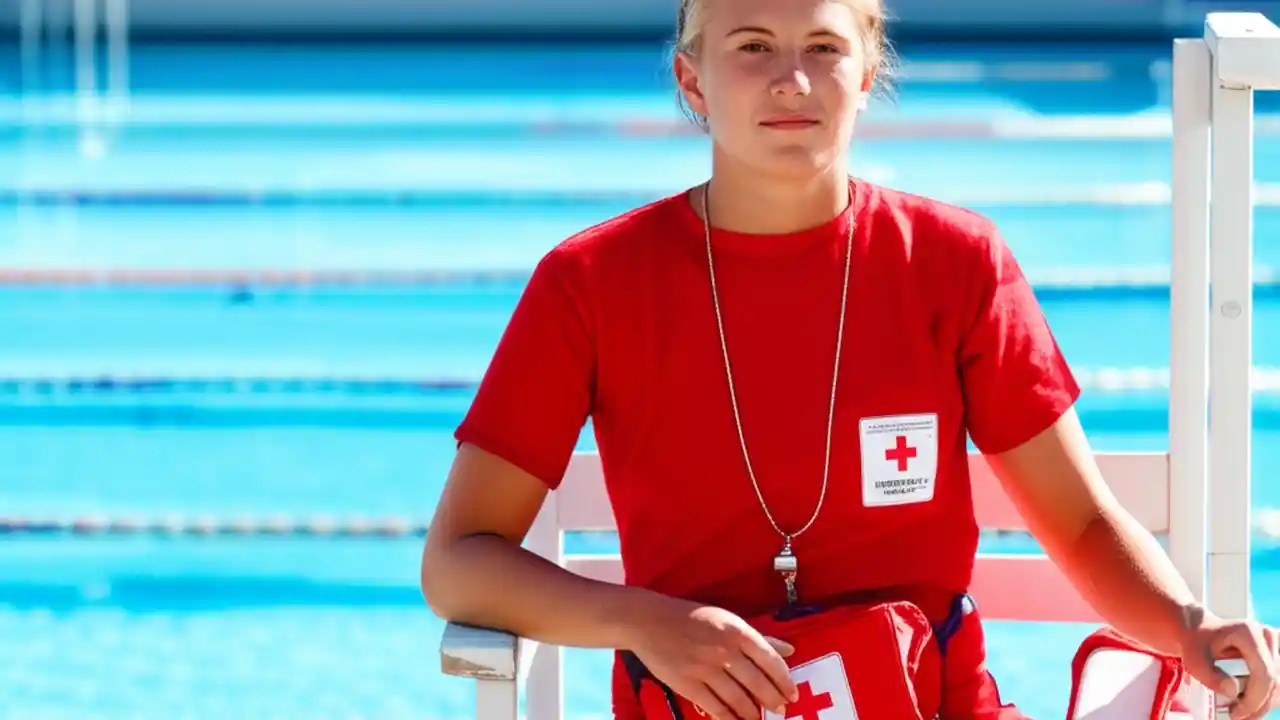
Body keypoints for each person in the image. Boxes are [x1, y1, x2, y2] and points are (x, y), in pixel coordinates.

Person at [421, 0, 1280, 717]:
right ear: (693, 81)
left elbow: (1083, 524)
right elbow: (460, 557)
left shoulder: (955, 263)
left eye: (824, 47)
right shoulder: (592, 283)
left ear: (867, 73)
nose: (791, 80)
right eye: (751, 47)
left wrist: (1190, 626)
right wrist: (648, 624)